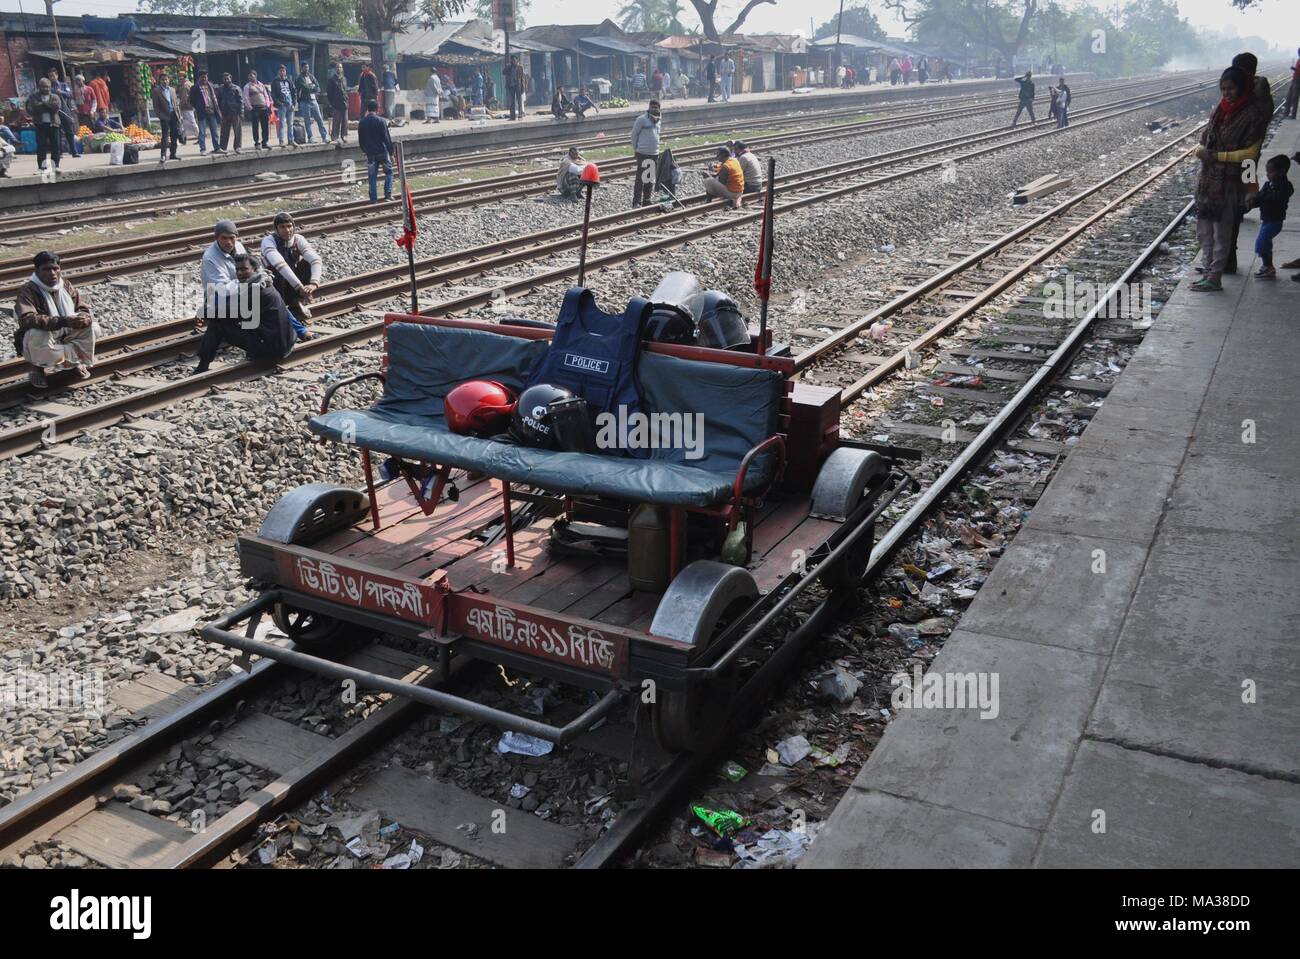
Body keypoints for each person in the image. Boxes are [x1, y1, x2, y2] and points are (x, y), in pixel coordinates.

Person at [1192, 67, 1265, 292]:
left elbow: (1251, 155)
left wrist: (1251, 187)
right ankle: (1206, 271)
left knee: (1221, 234)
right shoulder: (1219, 112)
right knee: (1204, 232)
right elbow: (1205, 138)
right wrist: (1201, 149)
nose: (1227, 93)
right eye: (1223, 89)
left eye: (1231, 88)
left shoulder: (1252, 115)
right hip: (1207, 182)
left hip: (1229, 184)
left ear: (1241, 88)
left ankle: (1215, 278)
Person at [195, 253, 296, 374]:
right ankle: (204, 361)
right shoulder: (263, 281)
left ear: (255, 269)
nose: (240, 273)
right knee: (222, 316)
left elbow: (230, 312)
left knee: (217, 324)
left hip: (273, 348)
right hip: (281, 341)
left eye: (244, 269)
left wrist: (204, 312)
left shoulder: (257, 291)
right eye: (237, 269)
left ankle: (203, 365)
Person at [15, 251, 95, 388]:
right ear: (37, 271)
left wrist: (84, 318)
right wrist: (62, 321)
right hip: (46, 333)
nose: (52, 273)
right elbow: (27, 319)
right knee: (37, 333)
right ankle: (38, 369)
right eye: (46, 269)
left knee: (91, 327)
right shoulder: (28, 290)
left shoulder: (66, 285)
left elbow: (82, 307)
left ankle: (74, 362)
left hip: (66, 327)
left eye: (55, 268)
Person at [260, 212, 319, 338]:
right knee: (278, 273)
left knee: (307, 263)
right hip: (273, 284)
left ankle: (295, 302)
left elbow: (315, 260)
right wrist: (300, 287)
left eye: (289, 226)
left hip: (290, 283)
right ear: (276, 229)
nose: (287, 230)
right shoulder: (268, 241)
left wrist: (313, 284)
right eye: (282, 227)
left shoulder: (298, 240)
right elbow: (280, 265)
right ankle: (294, 319)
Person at [1244, 154, 1293, 279]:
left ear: (1281, 172)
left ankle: (1268, 267)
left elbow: (1275, 199)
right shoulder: (1268, 185)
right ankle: (1268, 266)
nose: (1267, 175)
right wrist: (1252, 201)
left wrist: (1260, 197)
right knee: (1266, 243)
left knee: (1261, 243)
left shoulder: (1285, 187)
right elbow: (1260, 198)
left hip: (1275, 221)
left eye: (1270, 172)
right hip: (1266, 219)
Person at [201, 219, 245, 321]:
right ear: (216, 238)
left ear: (236, 237)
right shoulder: (209, 258)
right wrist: (248, 282)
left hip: (239, 292)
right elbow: (223, 290)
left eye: (231, 238)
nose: (228, 242)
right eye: (224, 238)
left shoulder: (239, 246)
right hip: (218, 300)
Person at [358, 99, 393, 204]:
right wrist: (391, 153)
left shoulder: (362, 122)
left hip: (370, 154)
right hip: (382, 153)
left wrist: (364, 150)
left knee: (372, 177)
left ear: (367, 109)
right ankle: (388, 195)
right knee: (389, 172)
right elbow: (387, 139)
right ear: (377, 109)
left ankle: (373, 200)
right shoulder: (381, 121)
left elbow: (361, 140)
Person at [27, 78, 63, 172]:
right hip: (40, 124)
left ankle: (55, 166)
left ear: (50, 87)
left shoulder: (55, 96)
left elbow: (55, 108)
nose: (46, 89)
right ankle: (41, 167)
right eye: (43, 87)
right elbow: (33, 109)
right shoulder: (33, 96)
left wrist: (43, 104)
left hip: (53, 124)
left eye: (47, 87)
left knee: (55, 146)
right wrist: (47, 106)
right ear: (39, 87)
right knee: (41, 146)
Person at [631, 100, 661, 207]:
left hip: (654, 154)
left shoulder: (659, 120)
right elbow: (634, 135)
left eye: (655, 107)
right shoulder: (641, 119)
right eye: (651, 107)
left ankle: (646, 200)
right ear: (648, 108)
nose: (653, 109)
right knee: (640, 179)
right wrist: (636, 149)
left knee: (649, 178)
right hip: (642, 153)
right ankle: (636, 201)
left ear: (659, 108)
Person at [151, 72, 182, 165]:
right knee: (165, 136)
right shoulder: (156, 91)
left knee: (174, 135)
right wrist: (160, 116)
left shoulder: (172, 90)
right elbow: (155, 106)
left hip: (174, 115)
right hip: (164, 116)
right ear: (160, 81)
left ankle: (173, 153)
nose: (165, 81)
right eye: (163, 80)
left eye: (166, 79)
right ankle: (163, 155)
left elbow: (176, 104)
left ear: (169, 80)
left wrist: (179, 116)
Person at [189, 70, 222, 154]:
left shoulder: (211, 86)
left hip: (212, 111)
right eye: (202, 77)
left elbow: (215, 97)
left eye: (206, 77)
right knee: (202, 132)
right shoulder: (195, 87)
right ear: (199, 78)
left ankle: (217, 148)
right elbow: (191, 100)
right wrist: (198, 107)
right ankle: (202, 149)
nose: (204, 78)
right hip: (202, 112)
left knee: (214, 132)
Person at [297, 63, 329, 143]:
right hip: (305, 102)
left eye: (307, 67)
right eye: (305, 67)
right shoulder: (299, 78)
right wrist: (312, 87)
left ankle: (324, 136)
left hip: (313, 101)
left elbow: (318, 87)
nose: (306, 68)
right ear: (302, 68)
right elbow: (305, 88)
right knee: (307, 121)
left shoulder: (311, 76)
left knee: (319, 119)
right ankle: (310, 138)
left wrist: (313, 88)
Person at [270, 65, 297, 148]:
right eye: (281, 71)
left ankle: (291, 140)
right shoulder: (275, 82)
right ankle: (281, 141)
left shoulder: (289, 80)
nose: (282, 72)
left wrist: (294, 103)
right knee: (282, 123)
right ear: (278, 72)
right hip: (282, 105)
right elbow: (273, 94)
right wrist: (278, 103)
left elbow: (294, 92)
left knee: (290, 123)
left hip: (290, 104)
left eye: (283, 71)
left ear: (285, 72)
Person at [243, 70, 271, 150]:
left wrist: (267, 105)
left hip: (263, 107)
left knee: (265, 126)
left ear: (255, 76)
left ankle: (265, 142)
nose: (250, 77)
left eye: (251, 75)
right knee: (255, 126)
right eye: (249, 76)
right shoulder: (247, 86)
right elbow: (245, 98)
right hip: (255, 108)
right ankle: (257, 143)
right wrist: (250, 108)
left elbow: (266, 95)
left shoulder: (261, 85)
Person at [217, 72, 244, 154]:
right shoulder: (220, 89)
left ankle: (238, 147)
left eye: (227, 78)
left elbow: (241, 101)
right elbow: (218, 100)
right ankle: (223, 147)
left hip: (235, 112)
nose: (226, 80)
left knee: (237, 131)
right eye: (224, 79)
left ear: (230, 79)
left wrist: (241, 112)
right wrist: (219, 112)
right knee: (224, 131)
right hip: (225, 113)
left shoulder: (236, 88)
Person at [327, 63, 349, 143]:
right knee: (336, 121)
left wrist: (347, 99)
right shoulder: (332, 79)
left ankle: (344, 135)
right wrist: (332, 102)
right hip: (336, 103)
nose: (339, 69)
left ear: (342, 69)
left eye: (340, 67)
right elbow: (329, 93)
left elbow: (345, 90)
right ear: (335, 69)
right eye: (337, 67)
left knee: (345, 121)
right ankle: (334, 136)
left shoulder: (344, 79)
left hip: (345, 103)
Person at [505, 54, 524, 121]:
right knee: (512, 102)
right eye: (512, 60)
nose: (513, 61)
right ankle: (512, 116)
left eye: (514, 60)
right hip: (511, 86)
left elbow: (522, 78)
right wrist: (507, 66)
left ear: (517, 60)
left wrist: (523, 87)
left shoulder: (520, 67)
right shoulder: (509, 67)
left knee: (519, 101)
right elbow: (504, 72)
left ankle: (520, 114)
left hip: (518, 86)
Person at [1287, 48, 1300, 120]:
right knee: (1289, 97)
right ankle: (1288, 113)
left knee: (1294, 97)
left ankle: (1293, 115)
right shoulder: (1298, 60)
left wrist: (1294, 69)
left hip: (1298, 81)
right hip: (1295, 79)